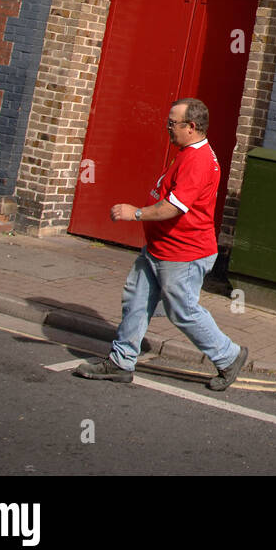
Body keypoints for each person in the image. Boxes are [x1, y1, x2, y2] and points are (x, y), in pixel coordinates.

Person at [74, 98, 249, 391]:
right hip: (162, 248)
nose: (168, 129)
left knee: (182, 311)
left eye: (173, 124)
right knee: (136, 300)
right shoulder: (187, 152)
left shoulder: (198, 160)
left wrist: (136, 213)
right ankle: (121, 362)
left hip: (183, 252)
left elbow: (175, 207)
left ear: (191, 127)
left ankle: (229, 356)